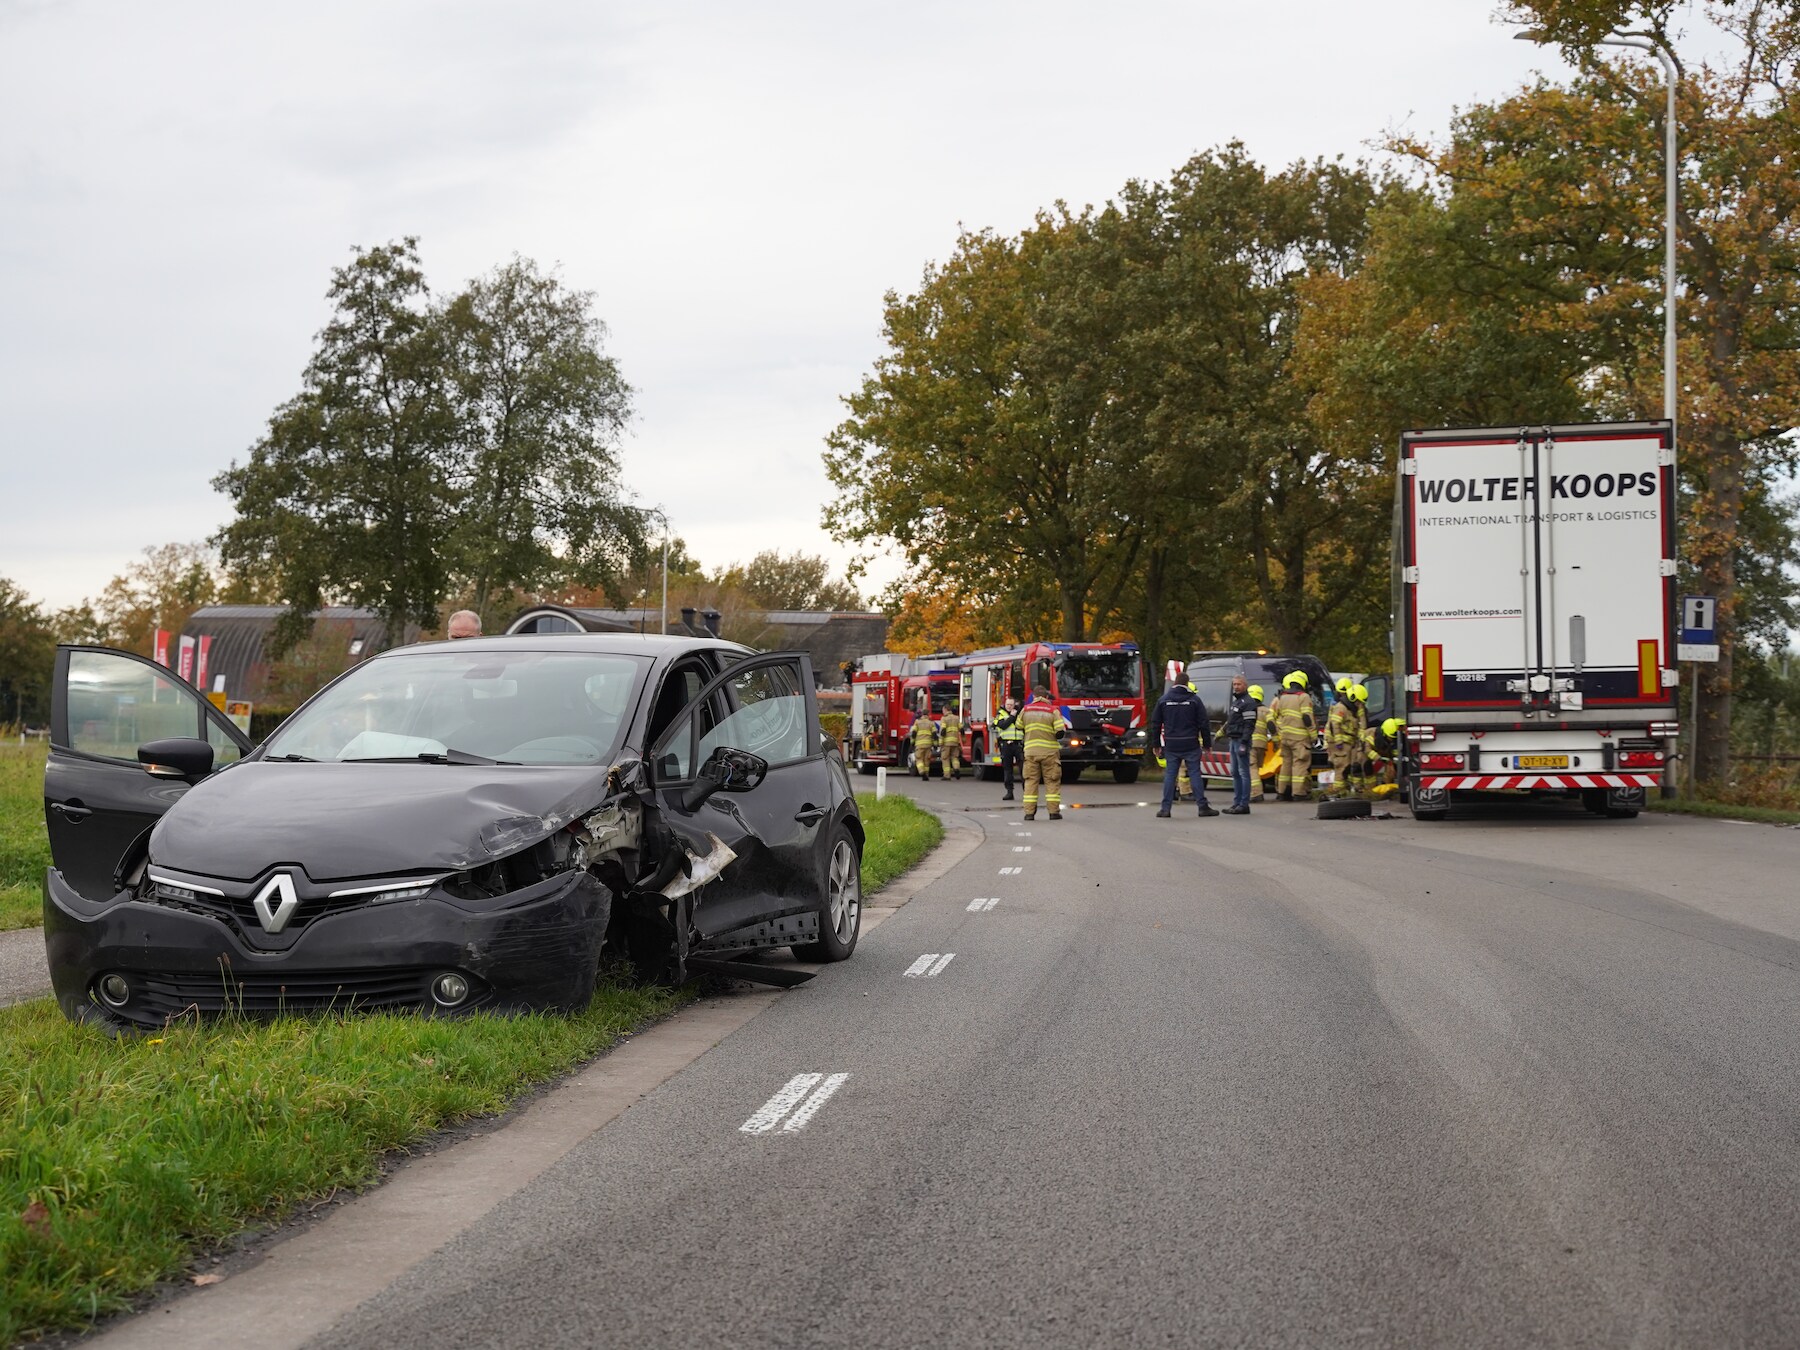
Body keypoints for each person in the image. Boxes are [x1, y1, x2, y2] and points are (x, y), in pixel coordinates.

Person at [1150, 665, 1217, 819]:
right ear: (1187, 683)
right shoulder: (1194, 700)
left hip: (1172, 744)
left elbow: (1155, 723)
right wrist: (1207, 744)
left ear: (1174, 683)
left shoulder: (1164, 700)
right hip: (1190, 743)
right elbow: (1203, 723)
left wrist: (1156, 744)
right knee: (1194, 774)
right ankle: (1202, 806)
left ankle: (1165, 809)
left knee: (1170, 775)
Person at [1018, 690, 1066, 821]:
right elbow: (1060, 732)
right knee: (1052, 782)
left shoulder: (1026, 710)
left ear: (1034, 696)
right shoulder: (1053, 710)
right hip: (1049, 753)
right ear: (1046, 697)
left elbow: (1018, 726)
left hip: (1031, 752)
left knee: (1030, 782)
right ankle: (1053, 813)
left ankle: (1029, 814)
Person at [1271, 671, 1316, 802]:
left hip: (1285, 737)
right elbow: (1307, 717)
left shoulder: (1282, 697)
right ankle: (1299, 793)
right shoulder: (1303, 697)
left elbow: (1276, 716)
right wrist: (1313, 735)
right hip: (1300, 738)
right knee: (1300, 764)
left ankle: (1282, 792)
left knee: (1286, 764)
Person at [1220, 675, 1259, 814]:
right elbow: (1232, 721)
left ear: (1245, 685)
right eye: (1234, 684)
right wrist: (1223, 731)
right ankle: (1236, 803)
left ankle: (1244, 804)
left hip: (1241, 741)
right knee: (1235, 772)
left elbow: (1249, 725)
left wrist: (1244, 742)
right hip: (1233, 740)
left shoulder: (1248, 702)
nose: (1236, 686)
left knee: (1243, 773)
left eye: (1239, 684)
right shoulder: (1237, 702)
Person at [1325, 679, 1359, 799]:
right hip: (1339, 742)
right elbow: (1334, 724)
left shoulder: (1342, 706)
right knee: (1341, 767)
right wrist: (1338, 741)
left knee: (1346, 767)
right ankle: (1338, 792)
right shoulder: (1340, 707)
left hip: (1344, 741)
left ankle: (1343, 791)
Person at [1248, 683, 1275, 803]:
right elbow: (1272, 726)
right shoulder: (1266, 711)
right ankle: (1258, 788)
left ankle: (1256, 793)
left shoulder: (1246, 709)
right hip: (1262, 745)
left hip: (1249, 743)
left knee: (1251, 768)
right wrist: (1276, 741)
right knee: (1257, 768)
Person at [993, 696, 1024, 800]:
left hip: (1018, 744)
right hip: (1006, 744)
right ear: (1005, 705)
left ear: (1014, 705)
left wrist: (1015, 716)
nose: (1009, 706)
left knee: (1024, 768)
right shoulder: (1000, 714)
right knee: (1007, 769)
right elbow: (1003, 725)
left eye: (1011, 705)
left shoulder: (1020, 714)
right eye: (1008, 705)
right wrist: (1011, 717)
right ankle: (1009, 792)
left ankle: (1027, 792)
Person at [938, 703, 963, 781]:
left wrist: (940, 743)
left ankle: (947, 775)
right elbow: (961, 729)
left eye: (943, 710)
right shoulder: (957, 718)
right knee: (955, 757)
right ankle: (956, 769)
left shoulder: (944, 719)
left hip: (946, 742)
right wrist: (963, 739)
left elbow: (943, 731)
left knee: (945, 758)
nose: (942, 711)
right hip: (955, 741)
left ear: (945, 709)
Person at [910, 711, 937, 777]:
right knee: (926, 760)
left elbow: (913, 733)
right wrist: (935, 744)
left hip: (919, 744)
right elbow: (934, 735)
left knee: (919, 759)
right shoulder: (931, 723)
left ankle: (922, 771)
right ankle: (926, 775)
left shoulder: (917, 722)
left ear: (922, 715)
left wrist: (912, 743)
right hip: (928, 745)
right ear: (928, 714)